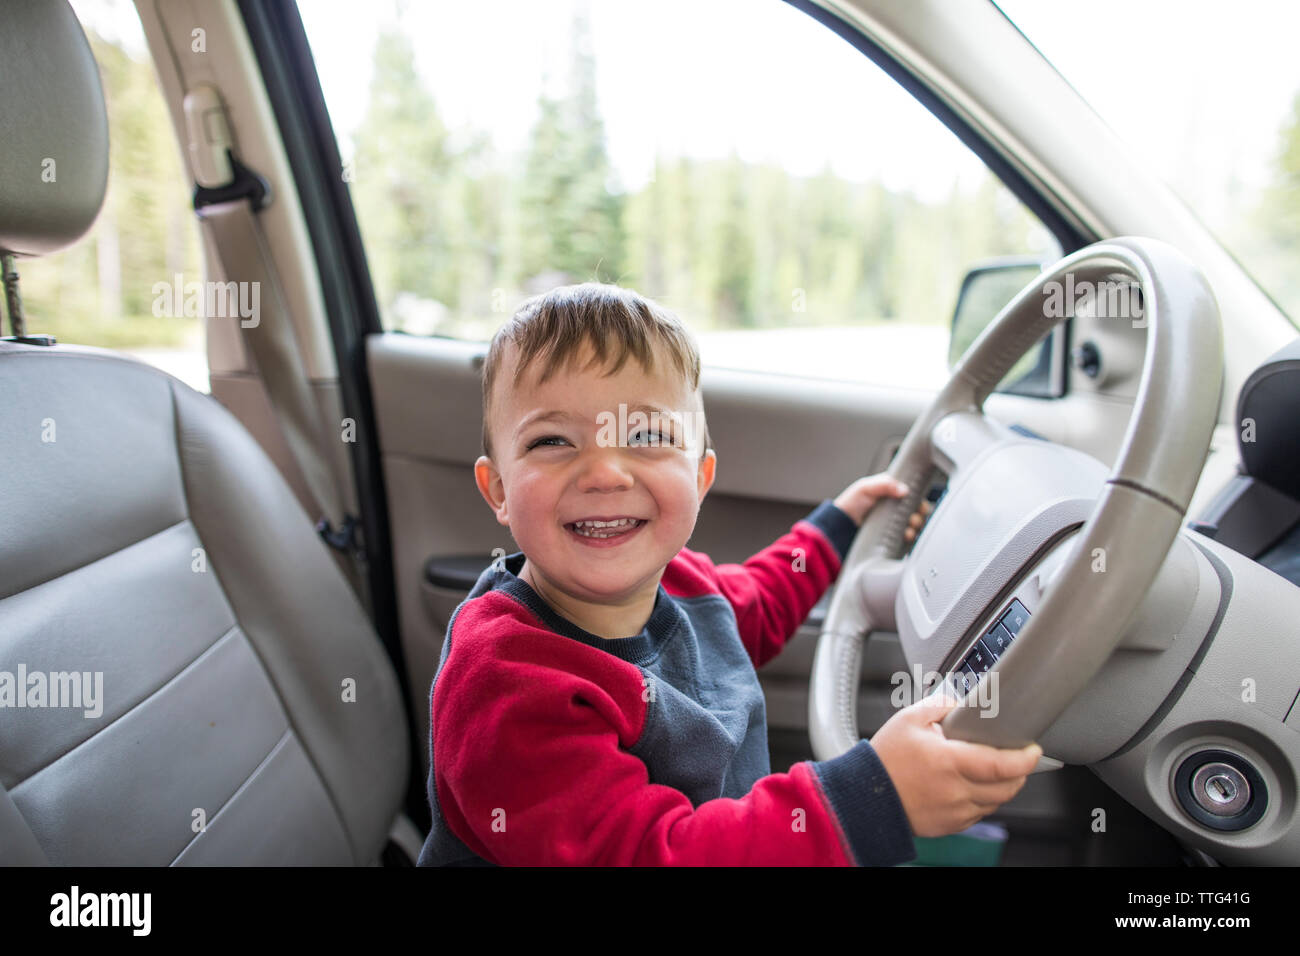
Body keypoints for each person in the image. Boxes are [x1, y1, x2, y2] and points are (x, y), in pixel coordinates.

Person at [416, 282, 1041, 866]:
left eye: (646, 434)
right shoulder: (506, 681)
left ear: (700, 478)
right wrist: (868, 799)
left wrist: (840, 525)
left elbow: (762, 600)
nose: (605, 473)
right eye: (553, 441)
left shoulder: (684, 587)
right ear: (497, 489)